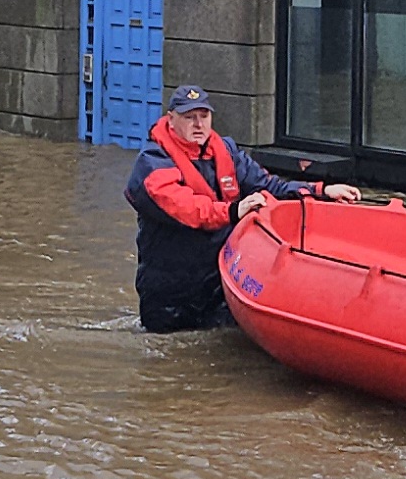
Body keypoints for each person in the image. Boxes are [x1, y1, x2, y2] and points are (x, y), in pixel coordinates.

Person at [122, 85, 363, 333]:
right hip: (170, 288)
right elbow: (187, 209)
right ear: (171, 121)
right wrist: (233, 211)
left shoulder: (227, 152)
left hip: (217, 281)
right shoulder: (153, 163)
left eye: (204, 116)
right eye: (189, 117)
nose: (198, 125)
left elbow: (270, 185)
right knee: (167, 355)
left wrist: (320, 191)